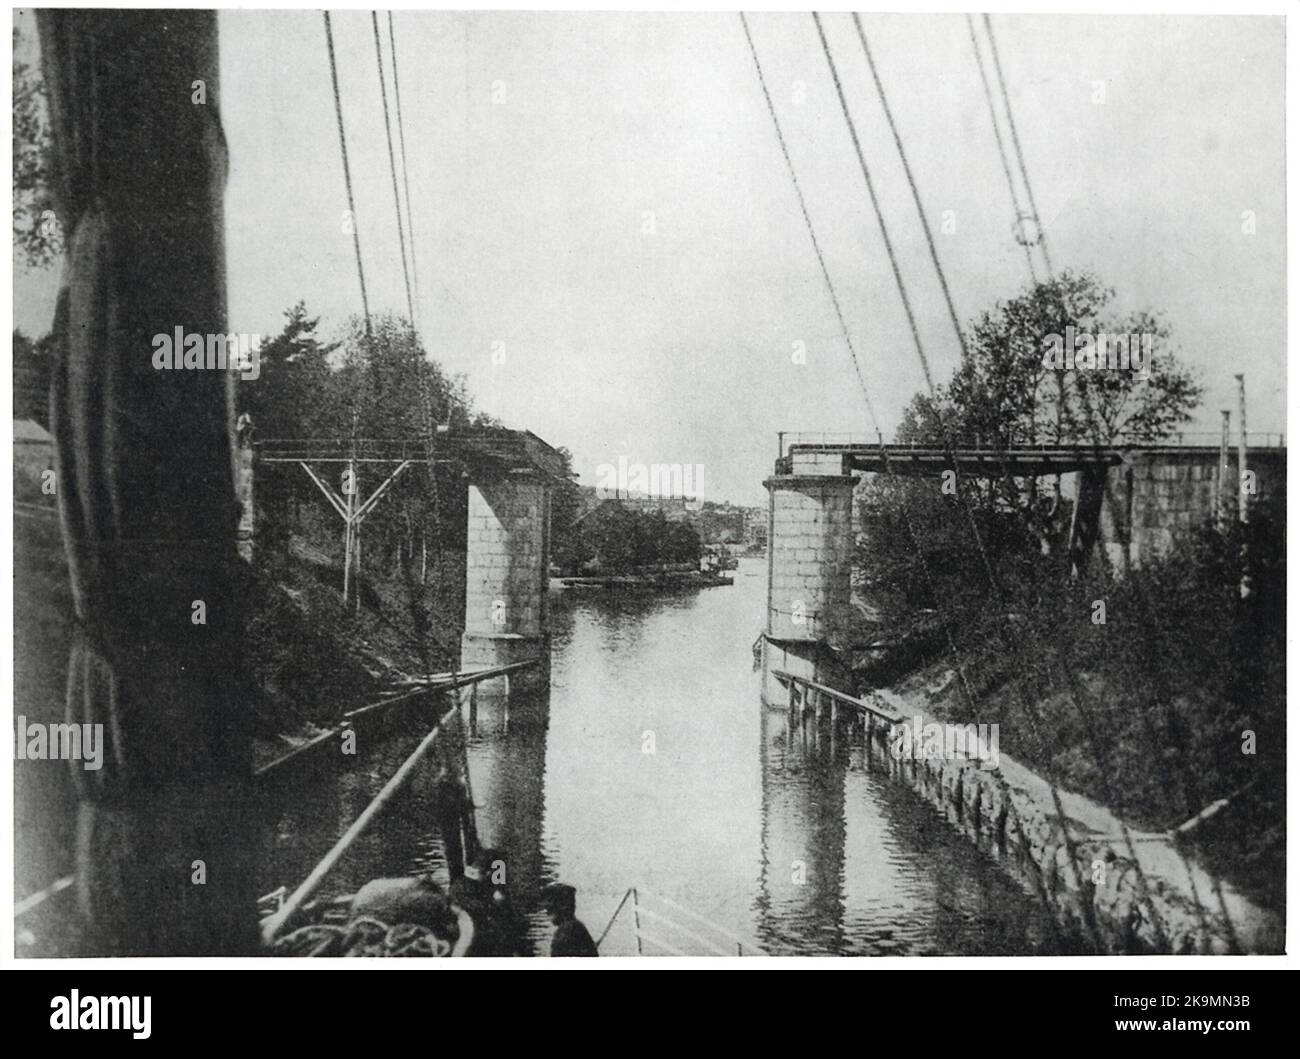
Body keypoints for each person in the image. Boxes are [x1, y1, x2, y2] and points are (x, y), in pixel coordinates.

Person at [541, 882, 598, 957]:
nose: (546, 912)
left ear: (562, 907)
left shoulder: (563, 934)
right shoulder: (579, 927)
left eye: (550, 908)